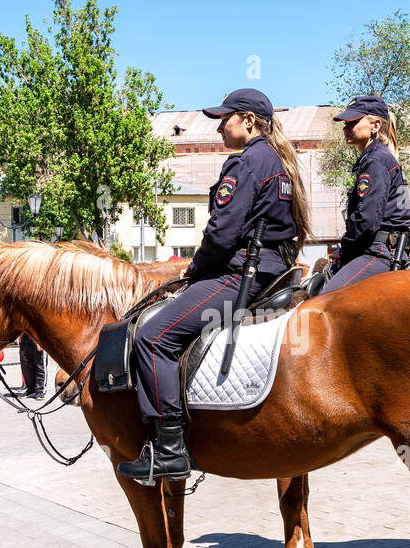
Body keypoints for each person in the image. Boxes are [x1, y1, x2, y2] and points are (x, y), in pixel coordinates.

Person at [117, 88, 309, 483]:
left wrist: (194, 268)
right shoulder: (276, 162)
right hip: (273, 270)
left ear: (249, 121)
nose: (220, 126)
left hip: (240, 275)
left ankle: (169, 449)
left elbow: (221, 234)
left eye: (226, 118)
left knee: (153, 337)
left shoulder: (247, 163)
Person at [321, 95, 410, 294]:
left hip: (378, 252)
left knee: (323, 303)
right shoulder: (382, 158)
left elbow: (367, 220)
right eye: (345, 124)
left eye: (353, 122)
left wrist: (344, 250)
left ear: (375, 126)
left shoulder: (375, 162)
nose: (346, 128)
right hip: (389, 248)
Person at [17, 333, 46, 399]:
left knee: (39, 364)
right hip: (25, 335)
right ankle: (30, 389)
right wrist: (19, 335)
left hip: (36, 336)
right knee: (25, 363)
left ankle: (39, 390)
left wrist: (40, 340)